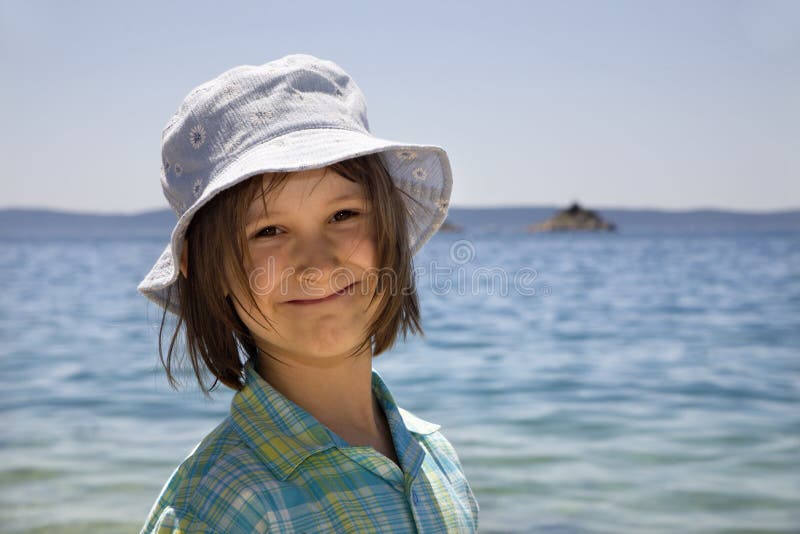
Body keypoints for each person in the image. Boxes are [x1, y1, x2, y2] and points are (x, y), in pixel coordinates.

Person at [137, 53, 479, 533]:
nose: (317, 264)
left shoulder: (433, 456)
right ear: (204, 269)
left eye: (343, 216)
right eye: (269, 230)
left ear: (389, 227)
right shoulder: (220, 508)